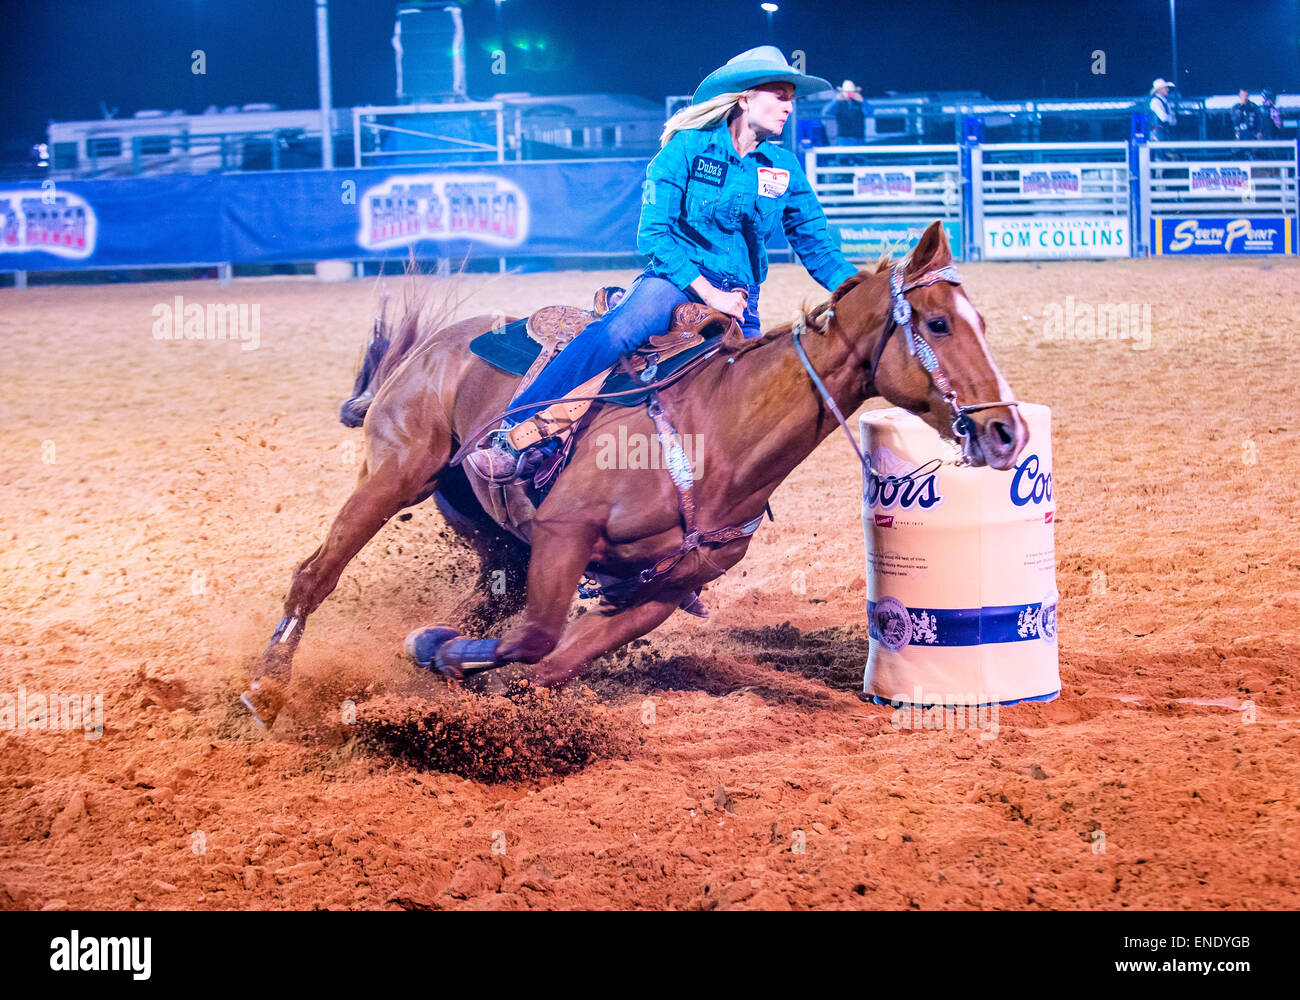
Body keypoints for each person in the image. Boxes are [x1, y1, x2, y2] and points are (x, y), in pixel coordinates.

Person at [467, 46, 859, 483]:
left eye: (791, 97)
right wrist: (710, 293)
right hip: (676, 281)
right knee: (617, 331)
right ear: (745, 97)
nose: (789, 106)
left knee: (749, 404)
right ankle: (511, 429)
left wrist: (865, 289)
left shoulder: (783, 168)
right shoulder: (687, 149)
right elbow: (653, 235)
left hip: (742, 298)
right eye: (780, 94)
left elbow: (817, 246)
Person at [822, 79, 868, 146]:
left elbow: (870, 112)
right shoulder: (838, 104)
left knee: (859, 156)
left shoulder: (860, 103)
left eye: (851, 92)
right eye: (846, 92)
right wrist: (836, 100)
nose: (849, 94)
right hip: (843, 138)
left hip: (859, 137)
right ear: (842, 92)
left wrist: (862, 101)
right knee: (843, 156)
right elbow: (827, 112)